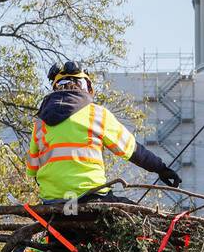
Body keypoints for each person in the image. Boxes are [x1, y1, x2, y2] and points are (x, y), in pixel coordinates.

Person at [28, 60, 181, 205]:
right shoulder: (96, 114)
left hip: (52, 201)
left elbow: (33, 170)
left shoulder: (40, 123)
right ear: (86, 87)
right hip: (90, 196)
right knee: (138, 219)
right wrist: (161, 168)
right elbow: (131, 150)